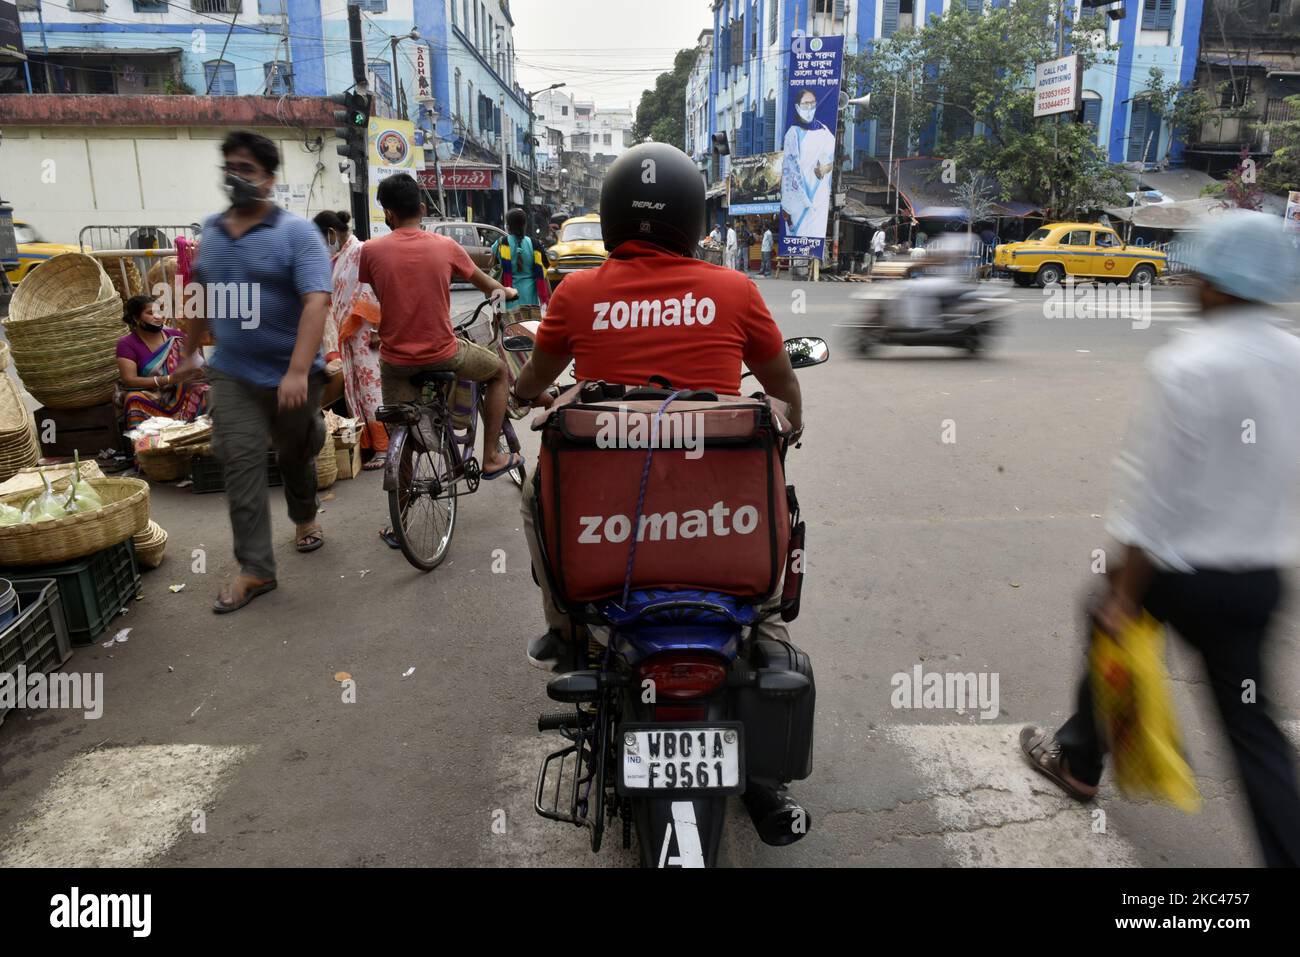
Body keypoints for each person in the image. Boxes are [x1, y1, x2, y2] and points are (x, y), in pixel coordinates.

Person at [1020, 210, 1300, 867]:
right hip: (1257, 578)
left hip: (1179, 575)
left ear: (1225, 286)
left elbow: (1153, 497)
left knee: (1104, 614)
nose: (1190, 286)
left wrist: (1124, 592)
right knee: (1252, 729)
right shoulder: (1293, 358)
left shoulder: (1189, 363)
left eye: (1201, 276)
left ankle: (1082, 759)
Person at [509, 142, 805, 671]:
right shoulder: (734, 289)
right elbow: (782, 384)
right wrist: (794, 427)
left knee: (536, 495)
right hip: (715, 501)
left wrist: (525, 394)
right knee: (774, 490)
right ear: (692, 218)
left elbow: (535, 377)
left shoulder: (575, 295)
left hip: (604, 507)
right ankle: (762, 616)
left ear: (612, 216)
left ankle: (563, 627)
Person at [179, 130, 333, 614]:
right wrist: (187, 352)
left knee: (293, 452)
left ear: (268, 179)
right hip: (233, 373)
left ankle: (304, 513)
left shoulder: (297, 234)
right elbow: (199, 295)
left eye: (247, 169)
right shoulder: (212, 231)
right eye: (231, 166)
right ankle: (256, 569)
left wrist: (296, 370)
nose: (236, 176)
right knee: (240, 460)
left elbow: (317, 301)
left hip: (294, 374)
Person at [358, 173, 519, 507]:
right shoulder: (446, 246)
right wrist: (506, 292)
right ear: (420, 207)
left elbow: (385, 295)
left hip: (396, 361)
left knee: (400, 423)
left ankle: (401, 512)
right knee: (499, 372)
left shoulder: (370, 251)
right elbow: (488, 285)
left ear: (388, 214)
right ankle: (491, 456)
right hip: (443, 353)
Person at [313, 209, 388, 471]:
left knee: (371, 393)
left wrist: (379, 329)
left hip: (367, 334)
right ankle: (371, 444)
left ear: (331, 234)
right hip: (351, 336)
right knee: (356, 391)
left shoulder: (360, 252)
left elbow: (373, 290)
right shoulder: (341, 256)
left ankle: (384, 447)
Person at [116, 294, 209, 429]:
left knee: (203, 389)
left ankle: (199, 435)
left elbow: (197, 363)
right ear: (136, 318)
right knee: (133, 398)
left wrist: (196, 372)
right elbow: (129, 380)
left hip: (179, 391)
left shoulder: (176, 336)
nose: (158, 316)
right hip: (152, 394)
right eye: (150, 313)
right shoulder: (127, 343)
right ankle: (146, 445)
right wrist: (169, 379)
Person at [780, 88, 835, 238]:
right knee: (799, 238)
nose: (809, 108)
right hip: (800, 203)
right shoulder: (793, 133)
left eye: (812, 104)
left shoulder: (825, 131)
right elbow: (790, 170)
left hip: (820, 196)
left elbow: (832, 161)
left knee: (817, 237)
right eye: (805, 104)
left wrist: (826, 168)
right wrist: (804, 200)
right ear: (797, 107)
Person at [491, 207, 551, 322]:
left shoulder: (500, 244)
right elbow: (544, 273)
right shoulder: (535, 244)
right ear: (525, 225)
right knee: (530, 332)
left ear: (508, 225)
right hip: (531, 301)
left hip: (508, 299)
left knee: (511, 334)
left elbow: (494, 270)